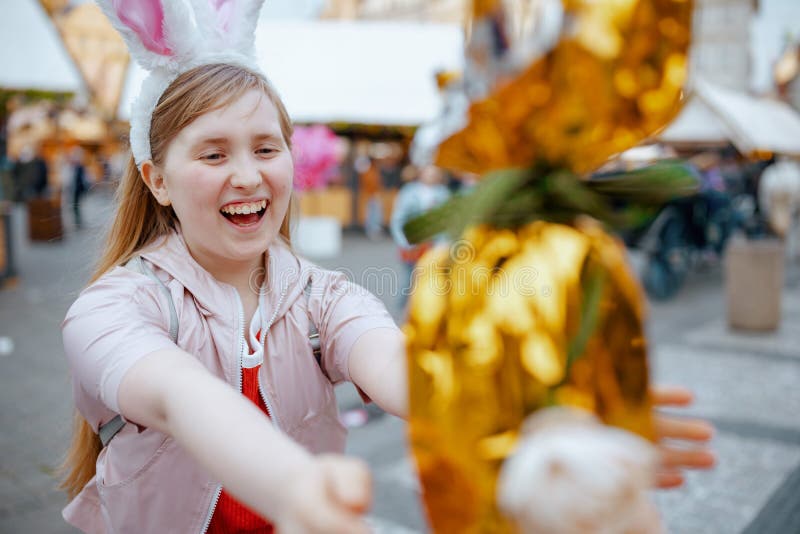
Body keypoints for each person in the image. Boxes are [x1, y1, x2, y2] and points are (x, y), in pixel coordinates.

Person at [60, 2, 714, 533]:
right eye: (212, 154)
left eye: (266, 148)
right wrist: (295, 488)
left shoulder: (321, 296)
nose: (248, 175)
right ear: (157, 178)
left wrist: (543, 421)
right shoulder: (110, 309)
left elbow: (405, 372)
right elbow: (181, 397)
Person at [389, 164, 451, 308]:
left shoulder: (443, 193)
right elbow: (398, 219)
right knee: (408, 279)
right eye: (429, 172)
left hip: (434, 244)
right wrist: (403, 241)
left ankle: (427, 309)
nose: (431, 176)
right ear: (421, 173)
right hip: (413, 243)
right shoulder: (408, 192)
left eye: (434, 173)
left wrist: (444, 242)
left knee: (433, 280)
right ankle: (401, 310)